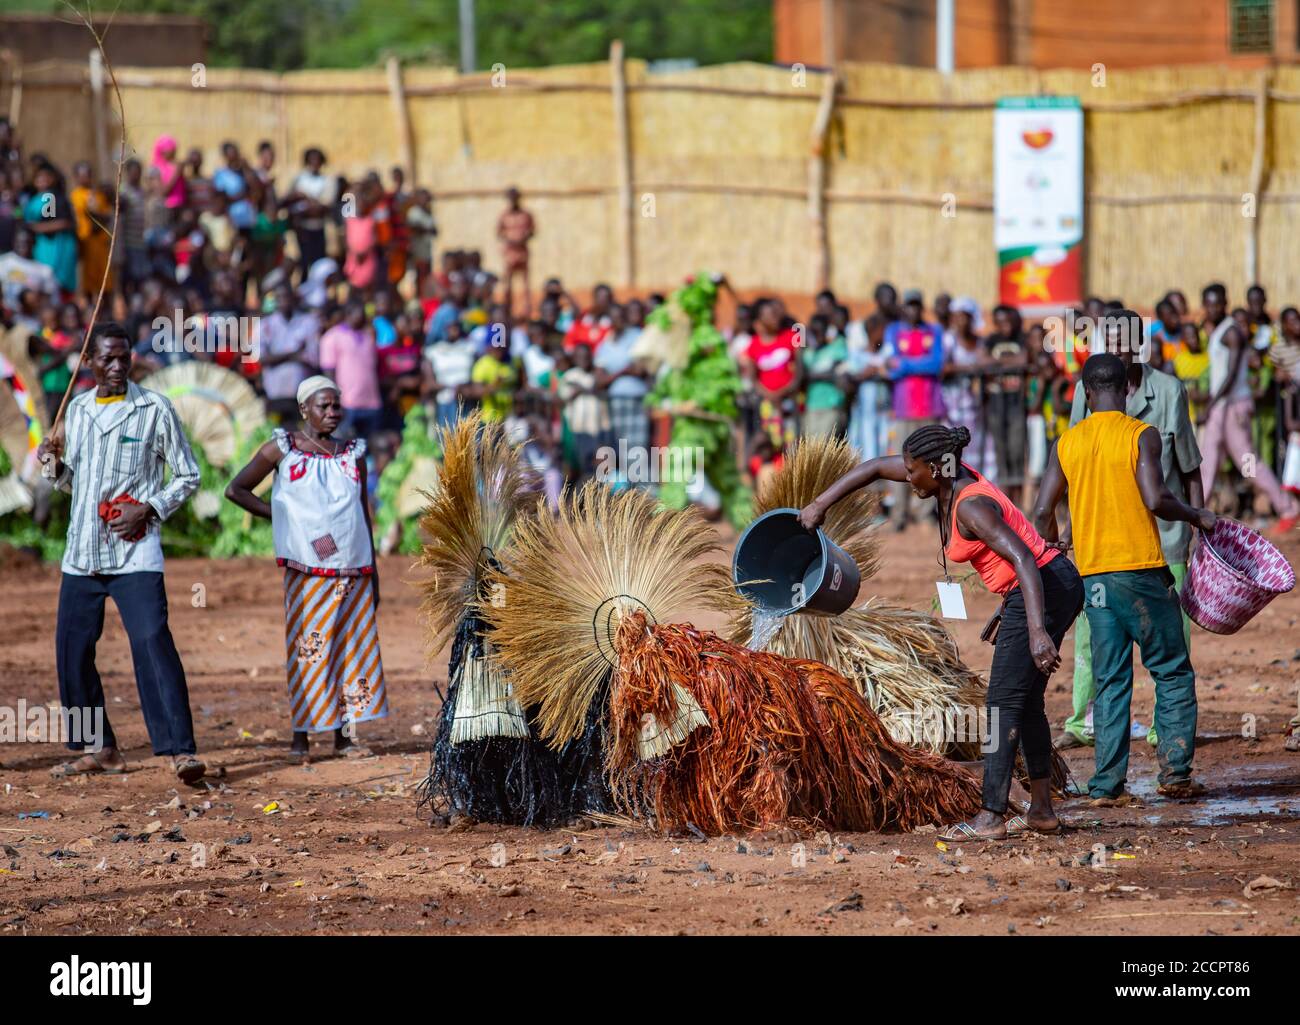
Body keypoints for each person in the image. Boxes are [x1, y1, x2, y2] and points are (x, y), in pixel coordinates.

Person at [799, 423, 1082, 840]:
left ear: (936, 468)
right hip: (1035, 589)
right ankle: (1040, 811)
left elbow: (1024, 557)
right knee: (1025, 702)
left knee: (1001, 705)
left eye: (913, 471)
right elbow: (876, 468)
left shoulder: (971, 507)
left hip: (1045, 586)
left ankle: (990, 816)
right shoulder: (941, 477)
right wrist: (819, 505)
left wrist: (1035, 629)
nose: (908, 479)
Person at [1034, 352, 1216, 802]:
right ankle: (1175, 776)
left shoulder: (1066, 443)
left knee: (1110, 680)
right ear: (1128, 390)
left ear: (1086, 392)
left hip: (1093, 578)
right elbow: (1155, 498)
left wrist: (1056, 546)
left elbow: (1041, 511)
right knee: (1171, 671)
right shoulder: (1141, 434)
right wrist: (1197, 515)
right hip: (1141, 573)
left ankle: (1106, 785)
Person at [36, 323, 206, 784]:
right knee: (73, 651)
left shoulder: (154, 409)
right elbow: (80, 484)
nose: (116, 367)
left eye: (123, 358)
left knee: (152, 642)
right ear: (89, 362)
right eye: (107, 359)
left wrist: (149, 509)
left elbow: (187, 476)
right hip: (81, 552)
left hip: (135, 552)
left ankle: (180, 751)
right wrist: (55, 468)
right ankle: (101, 748)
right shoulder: (78, 409)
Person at [1058, 310, 1203, 751]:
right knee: (1093, 644)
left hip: (1165, 538)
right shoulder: (1092, 390)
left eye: (1128, 342)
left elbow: (1190, 466)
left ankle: (1166, 733)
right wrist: (1067, 529)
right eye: (1113, 341)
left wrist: (1198, 525)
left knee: (1169, 644)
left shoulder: (1169, 390)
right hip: (1101, 535)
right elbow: (1069, 462)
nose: (1120, 350)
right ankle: (1082, 723)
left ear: (1142, 345)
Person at [224, 375, 387, 759]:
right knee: (308, 651)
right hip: (307, 571)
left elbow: (362, 511)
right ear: (304, 410)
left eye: (336, 406)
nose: (332, 413)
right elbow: (236, 490)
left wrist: (375, 572)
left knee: (351, 651)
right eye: (323, 406)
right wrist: (280, 518)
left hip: (354, 568)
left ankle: (343, 738)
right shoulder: (282, 450)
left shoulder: (352, 454)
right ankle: (302, 736)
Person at [1199, 283, 1298, 534]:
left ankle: (1286, 506)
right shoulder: (1221, 330)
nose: (1212, 309)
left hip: (1230, 407)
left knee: (1246, 463)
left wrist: (1210, 405)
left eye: (1216, 304)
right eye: (1208, 304)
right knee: (1210, 460)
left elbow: (1231, 374)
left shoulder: (1230, 333)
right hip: (1225, 406)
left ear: (1225, 302)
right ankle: (1197, 513)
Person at [883, 289, 945, 529]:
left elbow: (937, 363)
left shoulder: (934, 331)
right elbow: (891, 367)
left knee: (932, 462)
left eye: (917, 305)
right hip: (903, 407)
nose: (913, 310)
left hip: (929, 405)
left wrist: (906, 363)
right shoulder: (893, 332)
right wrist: (919, 364)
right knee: (901, 461)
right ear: (903, 308)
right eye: (909, 305)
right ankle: (899, 514)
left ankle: (926, 513)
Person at [319, 301, 381, 441]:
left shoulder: (368, 337)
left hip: (371, 402)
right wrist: (335, 402)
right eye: (360, 313)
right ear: (348, 314)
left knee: (369, 448)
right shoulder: (332, 337)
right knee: (345, 446)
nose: (364, 317)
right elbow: (329, 372)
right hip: (347, 404)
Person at [261, 283, 321, 427]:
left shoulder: (309, 322)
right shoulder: (264, 325)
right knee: (277, 439)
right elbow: (261, 358)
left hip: (302, 397)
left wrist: (277, 357)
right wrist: (293, 354)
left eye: (287, 297)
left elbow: (313, 358)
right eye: (280, 297)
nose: (284, 301)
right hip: (275, 395)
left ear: (294, 298)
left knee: (301, 441)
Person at [498, 186, 535, 317]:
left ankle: (527, 312)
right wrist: (510, 240)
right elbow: (499, 232)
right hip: (509, 253)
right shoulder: (504, 216)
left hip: (522, 252)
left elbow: (532, 231)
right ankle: (507, 311)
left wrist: (523, 238)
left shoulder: (526, 215)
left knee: (525, 284)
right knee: (507, 284)